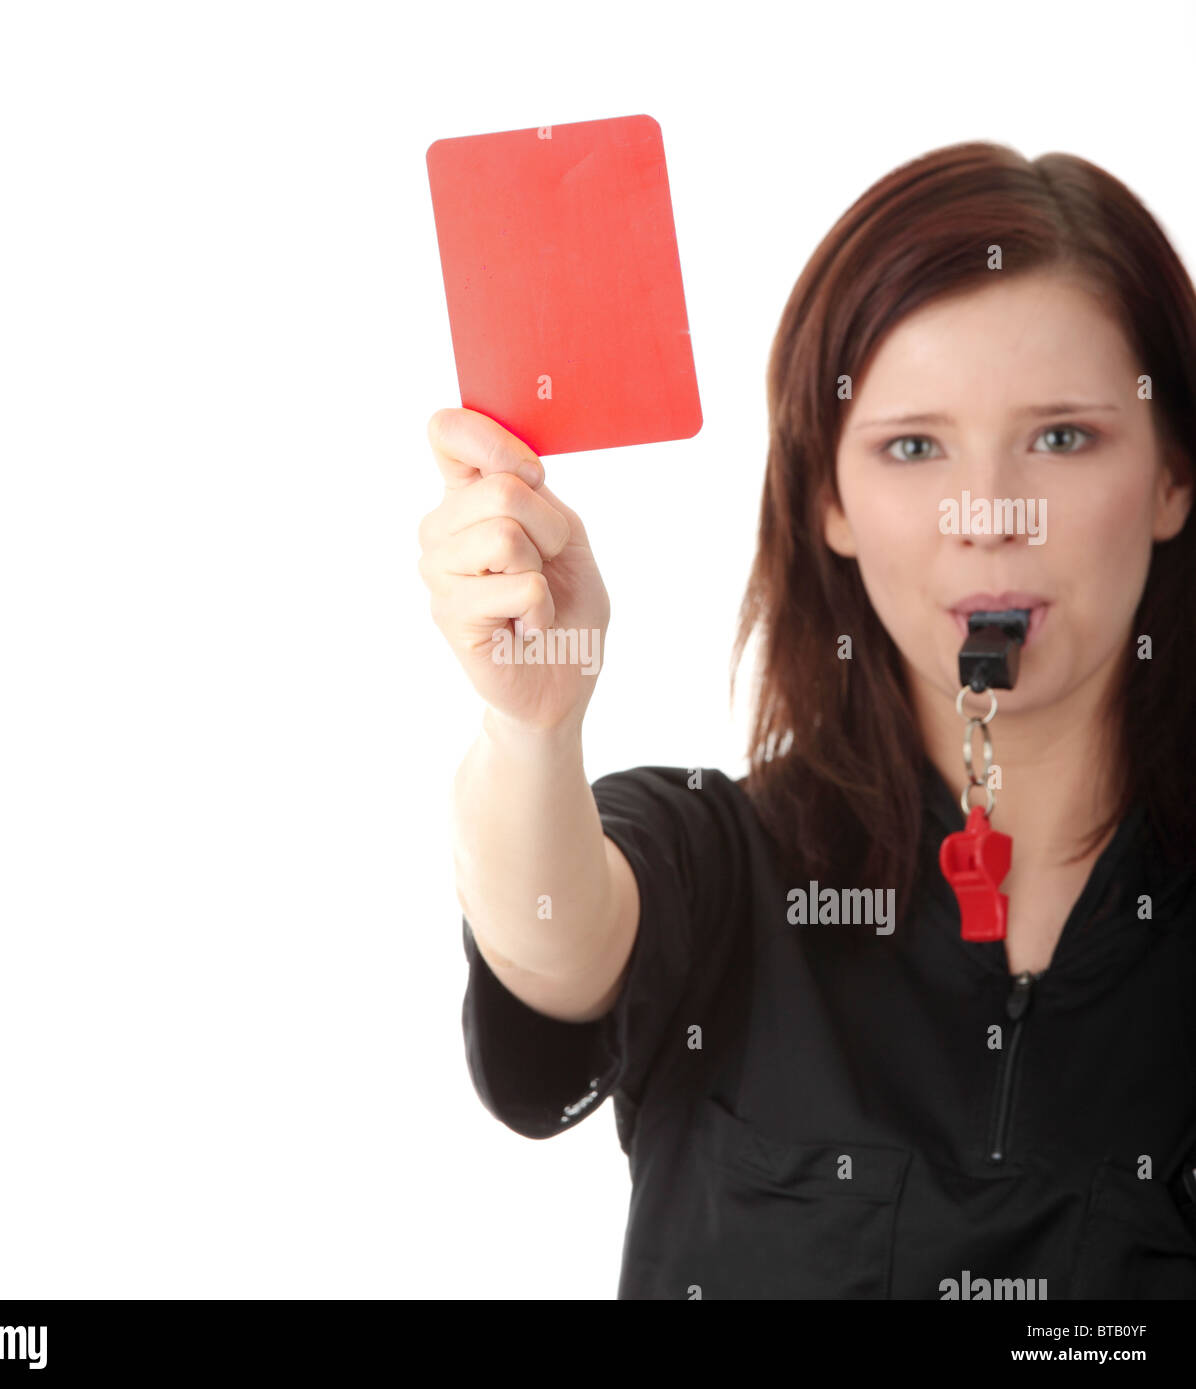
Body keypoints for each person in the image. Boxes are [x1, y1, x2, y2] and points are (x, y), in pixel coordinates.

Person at [416, 140, 1196, 1299]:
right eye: (914, 447)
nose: (986, 514)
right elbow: (555, 943)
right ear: (828, 496)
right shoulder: (720, 864)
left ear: (1174, 475)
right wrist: (535, 726)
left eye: (1063, 437)